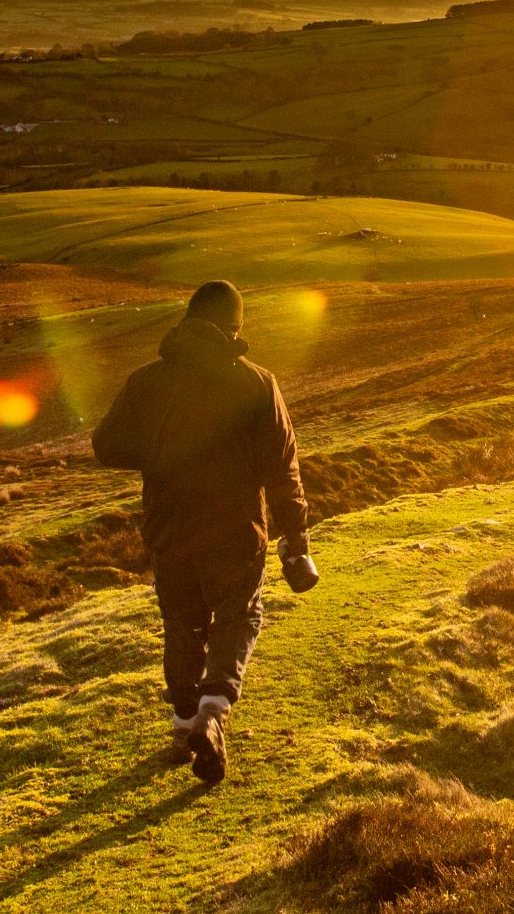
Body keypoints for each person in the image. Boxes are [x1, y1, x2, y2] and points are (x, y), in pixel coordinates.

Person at [91, 279, 318, 784]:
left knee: (182, 625)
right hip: (235, 531)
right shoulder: (257, 383)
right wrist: (296, 538)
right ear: (234, 327)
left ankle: (182, 727)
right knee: (240, 615)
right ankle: (213, 713)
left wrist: (158, 450)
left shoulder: (146, 381)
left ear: (188, 320)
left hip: (168, 529)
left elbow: (106, 446)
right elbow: (282, 469)